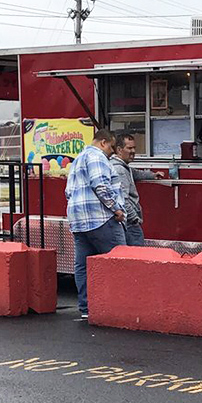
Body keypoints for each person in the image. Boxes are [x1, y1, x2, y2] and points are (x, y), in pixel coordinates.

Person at [65, 128, 126, 317]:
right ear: (103, 143)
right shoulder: (98, 157)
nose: (113, 152)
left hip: (77, 220)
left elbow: (68, 192)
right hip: (100, 218)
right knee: (120, 262)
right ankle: (119, 307)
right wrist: (116, 208)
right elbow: (100, 185)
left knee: (83, 265)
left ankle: (86, 308)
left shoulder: (77, 160)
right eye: (112, 147)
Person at [110, 133, 157, 246]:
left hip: (125, 222)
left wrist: (152, 175)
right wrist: (134, 218)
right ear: (119, 150)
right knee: (136, 258)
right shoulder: (120, 170)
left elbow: (135, 173)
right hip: (130, 223)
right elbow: (123, 199)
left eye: (134, 148)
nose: (133, 151)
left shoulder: (122, 167)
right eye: (129, 148)